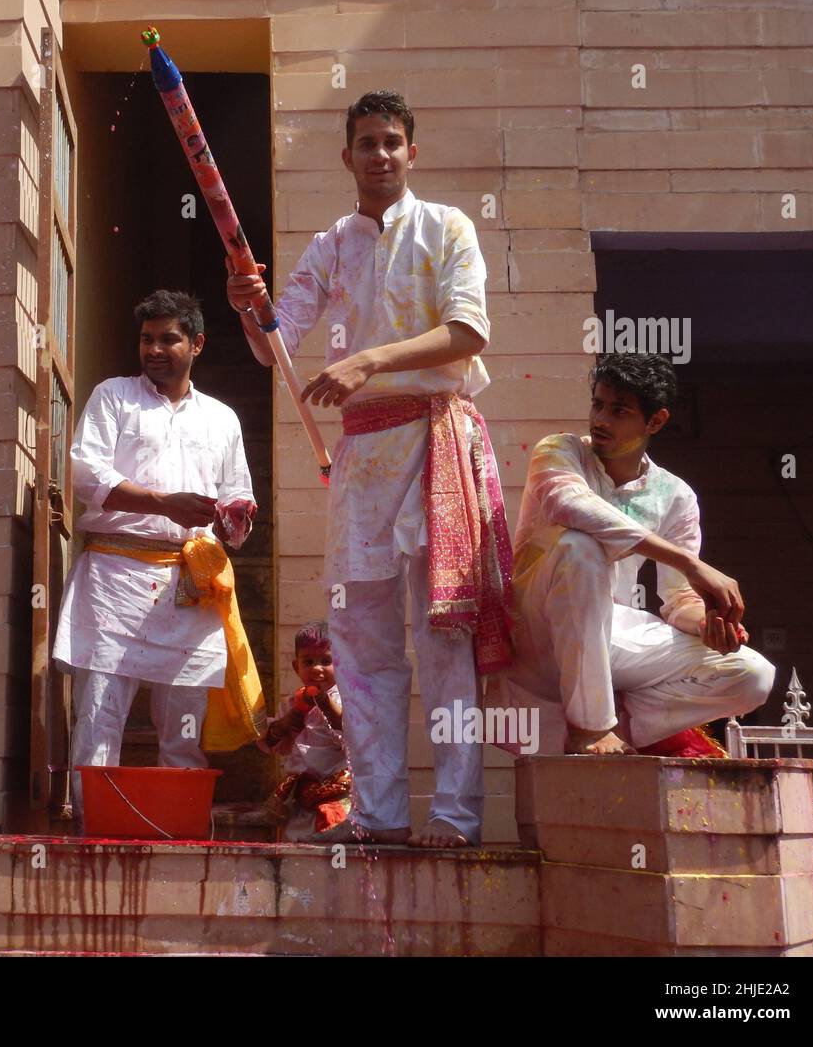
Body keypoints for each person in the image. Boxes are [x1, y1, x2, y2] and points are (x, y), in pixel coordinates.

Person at [227, 91, 513, 848]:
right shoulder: (329, 245)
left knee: (443, 640)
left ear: (411, 153)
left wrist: (369, 361)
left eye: (392, 141)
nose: (379, 154)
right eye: (366, 142)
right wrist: (247, 307)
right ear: (346, 156)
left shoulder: (447, 225)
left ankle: (454, 817)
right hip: (361, 463)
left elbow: (468, 329)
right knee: (363, 642)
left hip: (433, 444)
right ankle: (379, 815)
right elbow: (275, 344)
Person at [486, 353, 775, 755]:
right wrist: (690, 563)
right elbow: (573, 507)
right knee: (578, 545)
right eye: (598, 404)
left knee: (753, 673)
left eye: (619, 410)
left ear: (655, 421)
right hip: (538, 633)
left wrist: (706, 624)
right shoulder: (560, 451)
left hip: (607, 634)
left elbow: (678, 602)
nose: (601, 419)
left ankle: (625, 721)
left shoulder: (675, 496)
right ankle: (591, 727)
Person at [53, 289, 260, 828]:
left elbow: (236, 496)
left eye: (169, 338)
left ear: (197, 344)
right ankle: (92, 829)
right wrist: (164, 502)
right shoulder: (113, 397)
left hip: (189, 582)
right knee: (100, 716)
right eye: (147, 339)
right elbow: (86, 477)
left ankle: (182, 830)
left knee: (184, 724)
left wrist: (236, 516)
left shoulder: (222, 419)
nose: (155, 349)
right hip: (114, 578)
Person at [244, 621, 351, 841]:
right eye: (308, 662)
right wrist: (284, 724)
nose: (317, 668)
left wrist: (325, 705)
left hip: (338, 798)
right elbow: (269, 744)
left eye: (326, 661)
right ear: (296, 667)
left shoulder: (346, 700)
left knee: (334, 848)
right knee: (296, 844)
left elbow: (352, 734)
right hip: (301, 799)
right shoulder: (291, 704)